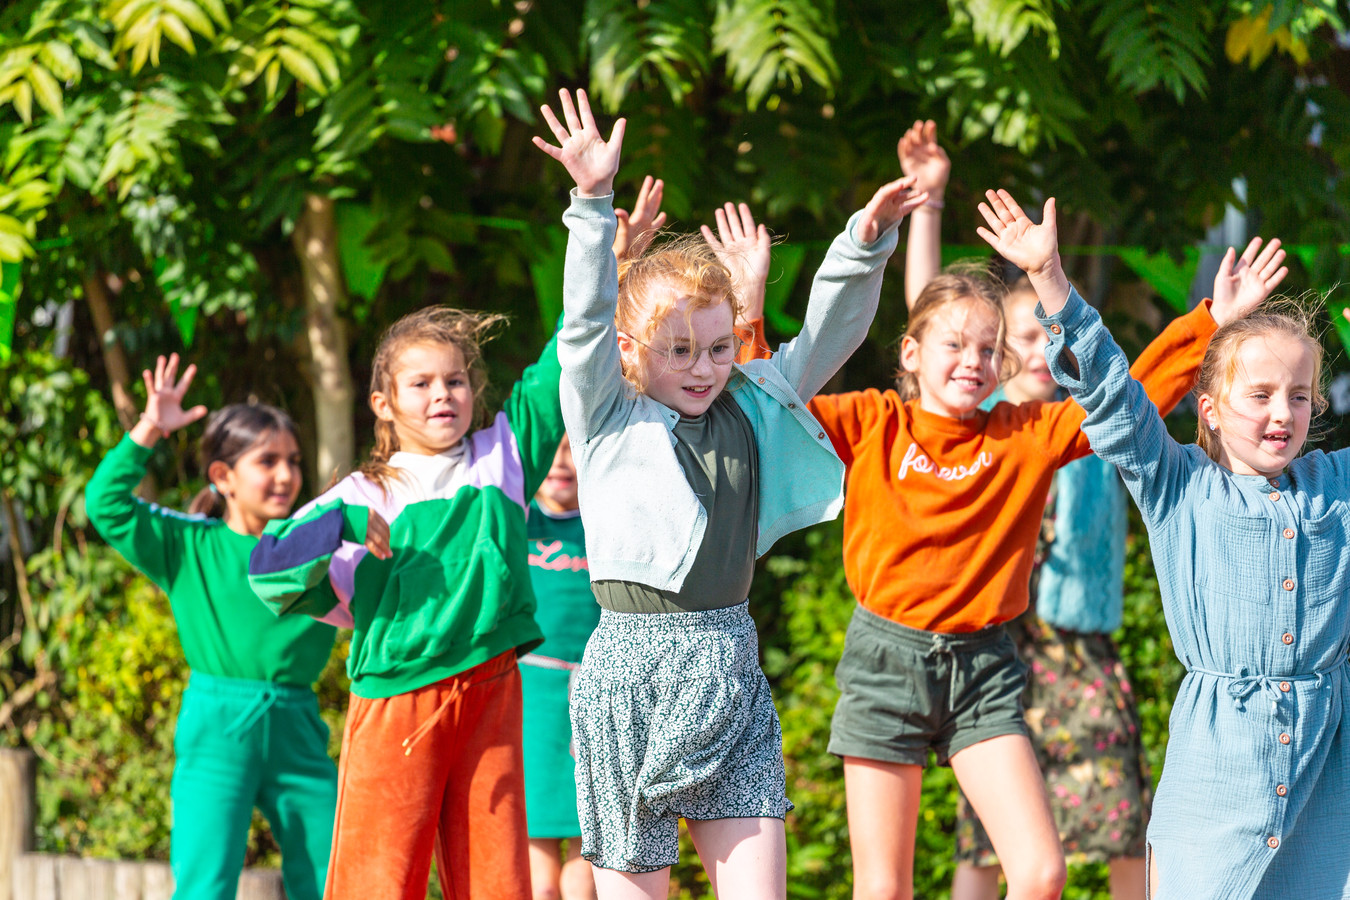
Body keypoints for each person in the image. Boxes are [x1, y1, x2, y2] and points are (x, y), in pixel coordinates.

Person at [793, 166, 1272, 898]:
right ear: (911, 355)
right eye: (954, 345)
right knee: (883, 889)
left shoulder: (1026, 431)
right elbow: (769, 397)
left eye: (988, 349)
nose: (973, 361)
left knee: (1042, 872)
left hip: (983, 665)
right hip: (886, 658)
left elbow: (1128, 402)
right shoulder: (872, 421)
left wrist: (1209, 322)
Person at [532, 86, 926, 899]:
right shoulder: (607, 413)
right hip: (628, 671)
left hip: (728, 659)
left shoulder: (752, 396)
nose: (706, 366)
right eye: (681, 350)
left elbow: (831, 335)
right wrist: (592, 201)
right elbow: (580, 328)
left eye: (718, 345)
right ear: (636, 349)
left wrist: (867, 240)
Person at [978, 187, 1347, 900]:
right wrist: (1049, 277)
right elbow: (1113, 395)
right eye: (1261, 394)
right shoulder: (1179, 482)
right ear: (1209, 408)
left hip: (1328, 773)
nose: (1283, 413)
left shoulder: (1336, 485)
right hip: (1220, 773)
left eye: (1299, 396)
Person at [247, 304, 565, 900]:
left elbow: (566, 363)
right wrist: (340, 521)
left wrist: (605, 263)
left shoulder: (505, 459)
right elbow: (267, 568)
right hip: (397, 703)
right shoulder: (364, 493)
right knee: (378, 883)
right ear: (383, 403)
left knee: (499, 883)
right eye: (420, 383)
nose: (442, 394)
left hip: (492, 688)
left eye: (456, 380)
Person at [85, 354, 337, 900]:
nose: (286, 475)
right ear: (222, 476)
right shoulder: (189, 545)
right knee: (204, 883)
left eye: (293, 461)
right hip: (217, 724)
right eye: (267, 461)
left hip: (298, 722)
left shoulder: (315, 545)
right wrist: (150, 428)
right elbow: (104, 504)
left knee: (332, 879)